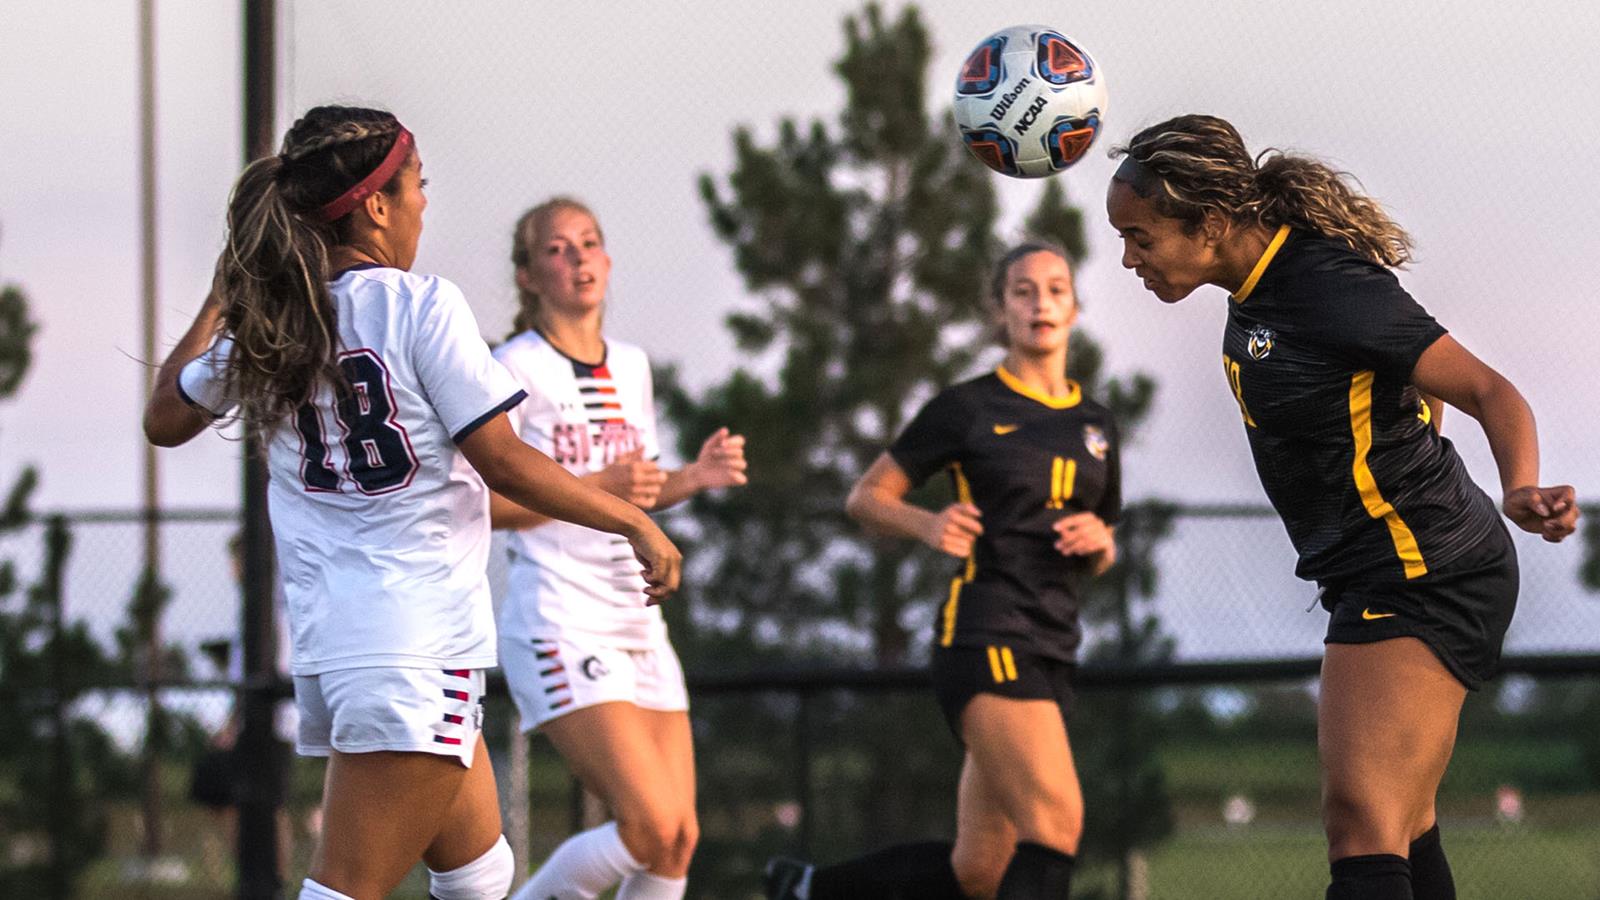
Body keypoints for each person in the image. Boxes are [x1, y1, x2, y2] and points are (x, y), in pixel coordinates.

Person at [142, 106, 681, 900]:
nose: (426, 201)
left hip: (346, 643)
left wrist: (227, 295)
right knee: (344, 891)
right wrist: (632, 518)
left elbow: (163, 419)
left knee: (481, 874)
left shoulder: (279, 321)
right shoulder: (420, 304)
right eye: (417, 184)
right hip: (416, 641)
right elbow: (502, 460)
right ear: (376, 205)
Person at [1104, 114, 1579, 900]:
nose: (1128, 258)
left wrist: (1521, 486)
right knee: (1397, 822)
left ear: (1212, 224)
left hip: (1423, 567)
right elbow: (1399, 378)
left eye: (1141, 236)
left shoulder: (1324, 285)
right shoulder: (1260, 286)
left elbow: (1490, 389)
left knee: (1361, 823)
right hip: (1391, 568)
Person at [766, 241, 1121, 900]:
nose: (1040, 302)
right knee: (1055, 825)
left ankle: (812, 890)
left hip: (1052, 643)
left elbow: (1105, 541)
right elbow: (865, 496)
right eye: (1023, 290)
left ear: (1075, 306)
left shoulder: (1096, 424)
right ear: (999, 310)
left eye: (1055, 288)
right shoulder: (969, 408)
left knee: (981, 868)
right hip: (986, 634)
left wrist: (1102, 541)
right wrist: (928, 524)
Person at [491, 197, 748, 900]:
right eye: (557, 248)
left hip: (638, 621)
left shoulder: (630, 365)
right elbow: (483, 503)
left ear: (609, 261)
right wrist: (597, 481)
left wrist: (691, 478)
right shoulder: (513, 367)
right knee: (645, 824)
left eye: (590, 243)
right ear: (526, 275)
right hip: (559, 620)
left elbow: (633, 492)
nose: (578, 258)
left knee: (676, 840)